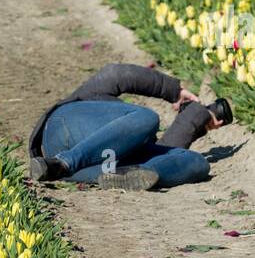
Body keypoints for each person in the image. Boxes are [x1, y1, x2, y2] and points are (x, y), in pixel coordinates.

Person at [28, 63, 228, 190]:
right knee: (147, 118)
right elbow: (116, 74)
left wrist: (196, 118)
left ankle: (130, 175)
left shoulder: (131, 136)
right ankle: (63, 163)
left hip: (103, 161)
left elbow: (164, 148)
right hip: (63, 126)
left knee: (197, 162)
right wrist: (173, 90)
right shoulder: (92, 96)